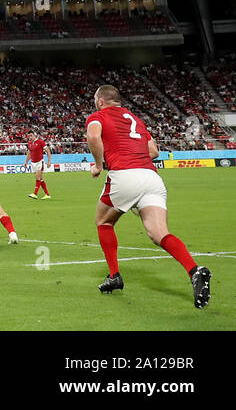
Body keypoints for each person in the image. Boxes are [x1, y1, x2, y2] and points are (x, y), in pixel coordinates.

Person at [85, 85, 209, 307]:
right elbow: (154, 151)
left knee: (103, 221)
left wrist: (98, 165)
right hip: (151, 178)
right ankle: (194, 270)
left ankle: (114, 276)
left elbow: (94, 137)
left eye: (95, 98)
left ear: (101, 101)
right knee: (158, 233)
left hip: (124, 175)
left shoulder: (98, 116)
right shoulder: (136, 120)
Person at [25, 134, 52, 199]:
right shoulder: (29, 143)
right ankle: (47, 194)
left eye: (31, 135)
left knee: (37, 177)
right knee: (40, 178)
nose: (30, 137)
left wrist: (49, 161)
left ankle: (35, 193)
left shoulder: (40, 142)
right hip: (33, 163)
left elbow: (48, 151)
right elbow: (29, 153)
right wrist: (26, 162)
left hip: (40, 162)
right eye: (29, 136)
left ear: (35, 135)